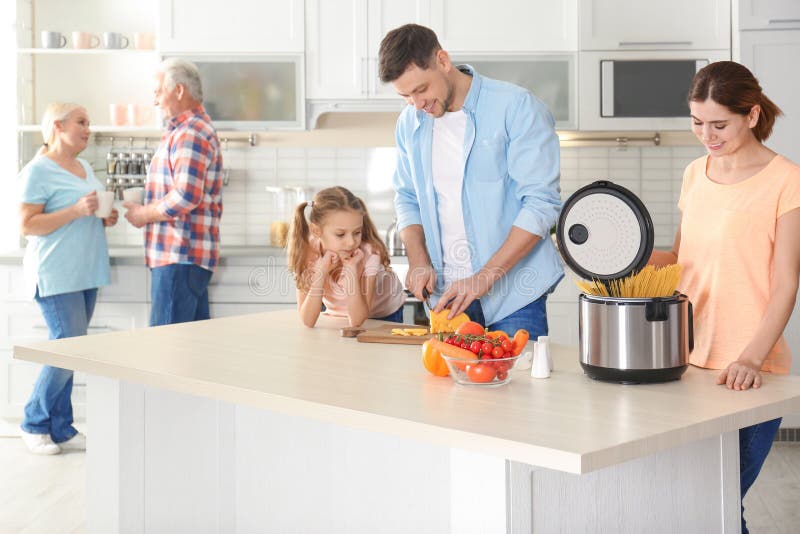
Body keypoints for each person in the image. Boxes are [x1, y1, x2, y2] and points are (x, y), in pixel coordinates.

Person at [650, 61, 800, 534]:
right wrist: (622, 254)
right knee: (702, 505)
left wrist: (751, 359)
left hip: (749, 373)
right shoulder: (695, 173)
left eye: (719, 124)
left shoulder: (787, 180)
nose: (706, 136)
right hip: (688, 361)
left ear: (751, 115)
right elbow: (680, 259)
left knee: (716, 502)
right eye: (697, 122)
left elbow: (786, 283)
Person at [378, 24, 563, 337]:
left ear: (443, 60)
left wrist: (482, 278)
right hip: (448, 299)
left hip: (514, 298)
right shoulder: (410, 122)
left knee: (518, 371)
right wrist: (418, 259)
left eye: (421, 89)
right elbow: (407, 196)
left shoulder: (515, 107)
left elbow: (541, 204)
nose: (417, 104)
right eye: (406, 96)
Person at [17, 103, 119, 455]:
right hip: (56, 271)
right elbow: (27, 224)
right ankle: (33, 422)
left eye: (89, 123)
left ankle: (61, 428)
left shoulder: (84, 167)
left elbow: (85, 211)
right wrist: (77, 210)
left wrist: (103, 217)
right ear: (58, 127)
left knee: (72, 350)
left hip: (86, 269)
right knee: (67, 347)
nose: (88, 129)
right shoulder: (37, 171)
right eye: (81, 122)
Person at [124, 58, 223, 326]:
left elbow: (186, 196)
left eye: (158, 92)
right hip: (182, 258)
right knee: (190, 347)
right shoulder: (184, 130)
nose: (155, 101)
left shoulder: (191, 132)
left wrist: (143, 214)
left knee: (165, 346)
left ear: (178, 90)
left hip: (179, 257)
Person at [287, 186, 406, 327]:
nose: (351, 243)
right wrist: (321, 272)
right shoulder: (307, 253)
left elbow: (357, 320)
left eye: (357, 232)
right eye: (340, 234)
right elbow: (307, 320)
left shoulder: (369, 254)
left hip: (382, 314)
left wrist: (352, 270)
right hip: (338, 315)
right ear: (316, 230)